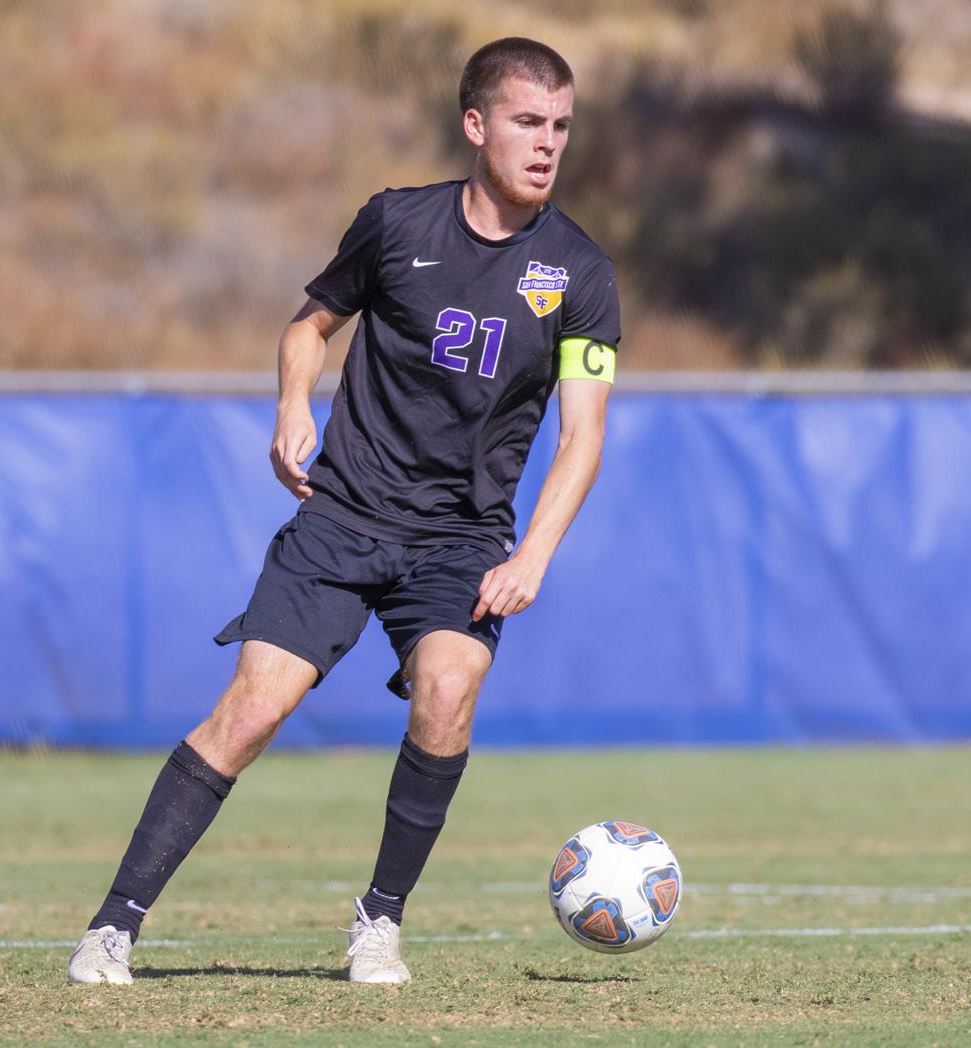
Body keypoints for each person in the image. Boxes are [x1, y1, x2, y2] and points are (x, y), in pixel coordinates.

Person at [68, 35, 620, 986]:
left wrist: (534, 555)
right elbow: (308, 325)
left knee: (449, 691)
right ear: (476, 125)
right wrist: (291, 404)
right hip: (341, 519)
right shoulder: (396, 224)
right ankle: (113, 926)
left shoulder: (577, 271)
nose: (548, 144)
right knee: (250, 713)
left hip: (460, 542)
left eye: (562, 126)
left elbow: (582, 436)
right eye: (530, 122)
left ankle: (379, 921)